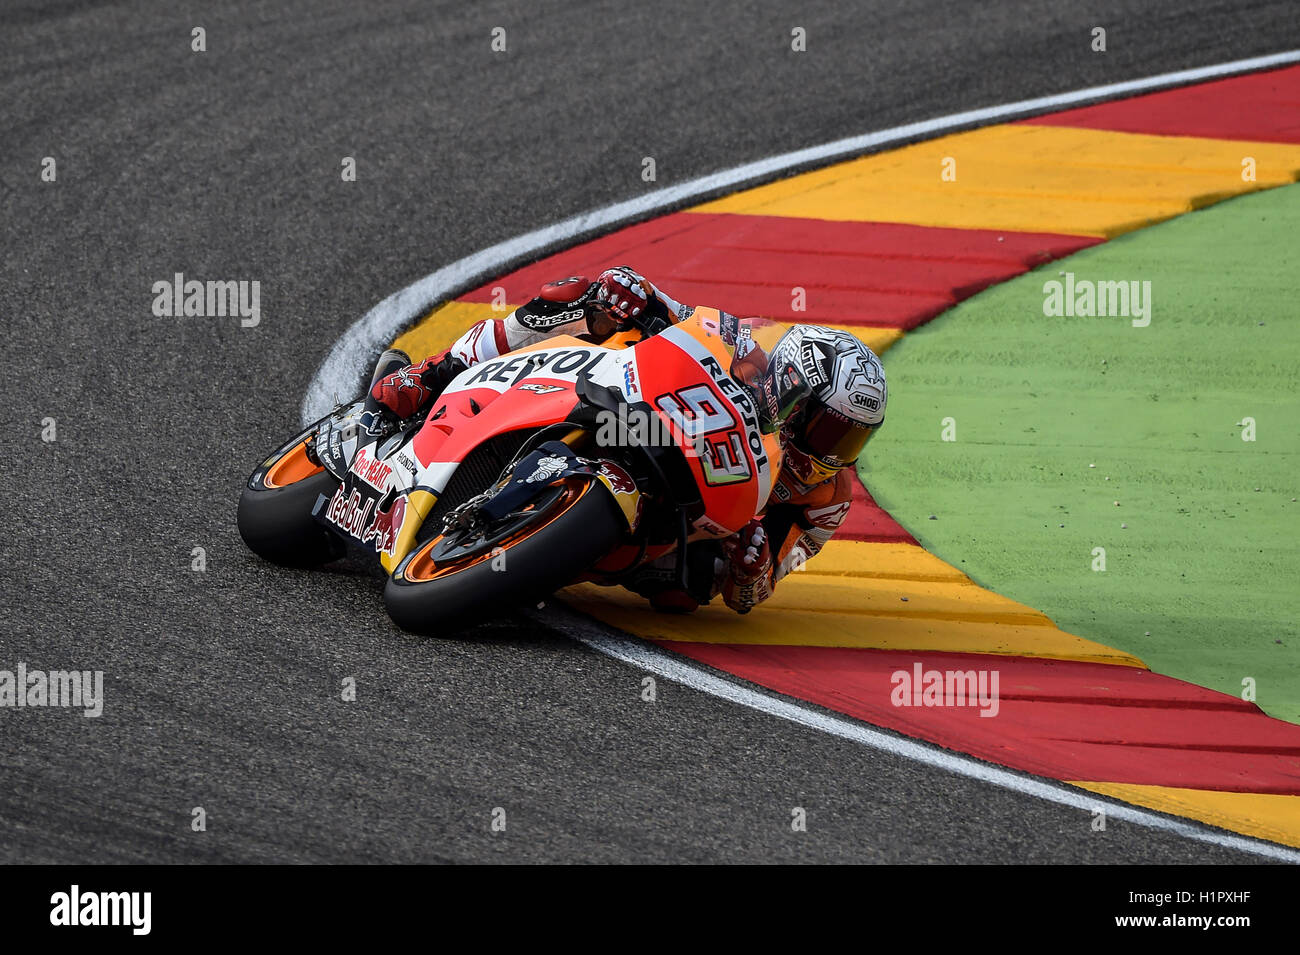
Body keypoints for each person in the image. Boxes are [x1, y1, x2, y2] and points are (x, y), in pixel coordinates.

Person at [367, 267, 887, 614]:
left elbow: (757, 591)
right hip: (640, 411)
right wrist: (635, 293)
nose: (831, 452)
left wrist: (753, 568)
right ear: (792, 389)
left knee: (690, 589)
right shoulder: (749, 349)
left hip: (682, 520)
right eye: (827, 428)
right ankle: (433, 372)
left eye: (850, 440)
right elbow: (683, 316)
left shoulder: (827, 501)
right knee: (576, 297)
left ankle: (553, 538)